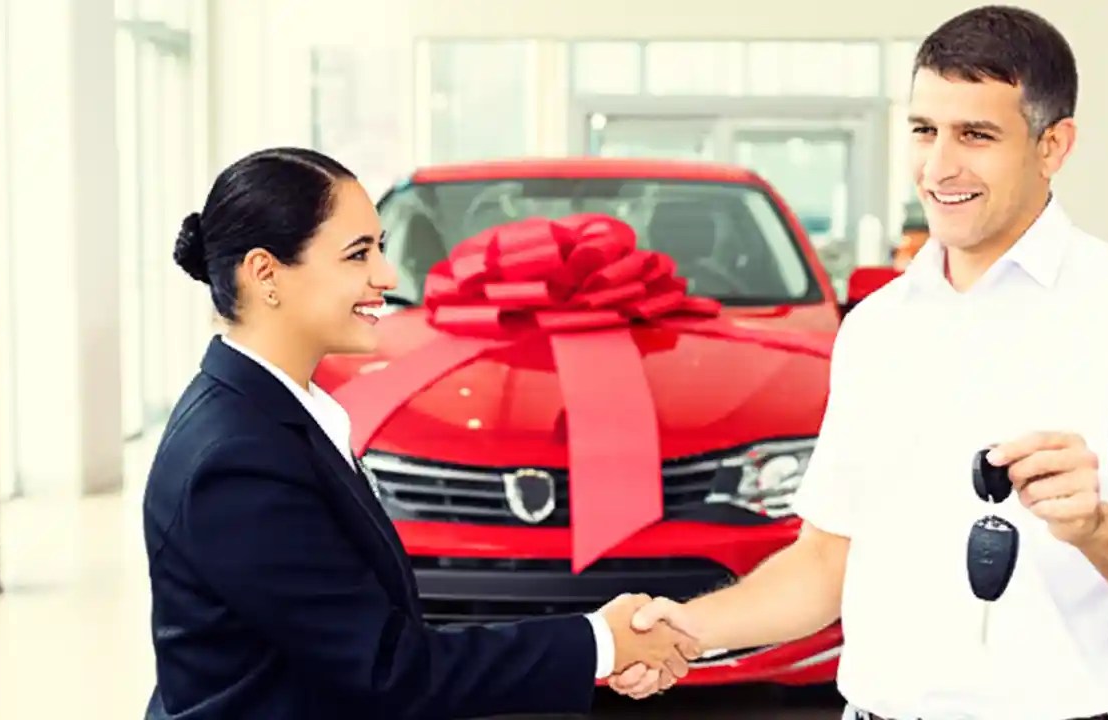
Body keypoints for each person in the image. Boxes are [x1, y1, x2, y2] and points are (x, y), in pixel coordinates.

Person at [611, 6, 1108, 719]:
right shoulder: (877, 329)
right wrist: (690, 630)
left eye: (976, 135)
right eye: (924, 130)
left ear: (1054, 145)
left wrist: (1100, 527)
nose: (939, 166)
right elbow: (826, 562)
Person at [141, 147, 698, 720]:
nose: (387, 275)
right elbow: (387, 669)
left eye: (380, 248)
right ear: (266, 274)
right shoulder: (237, 458)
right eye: (359, 255)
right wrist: (599, 641)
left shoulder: (271, 413)